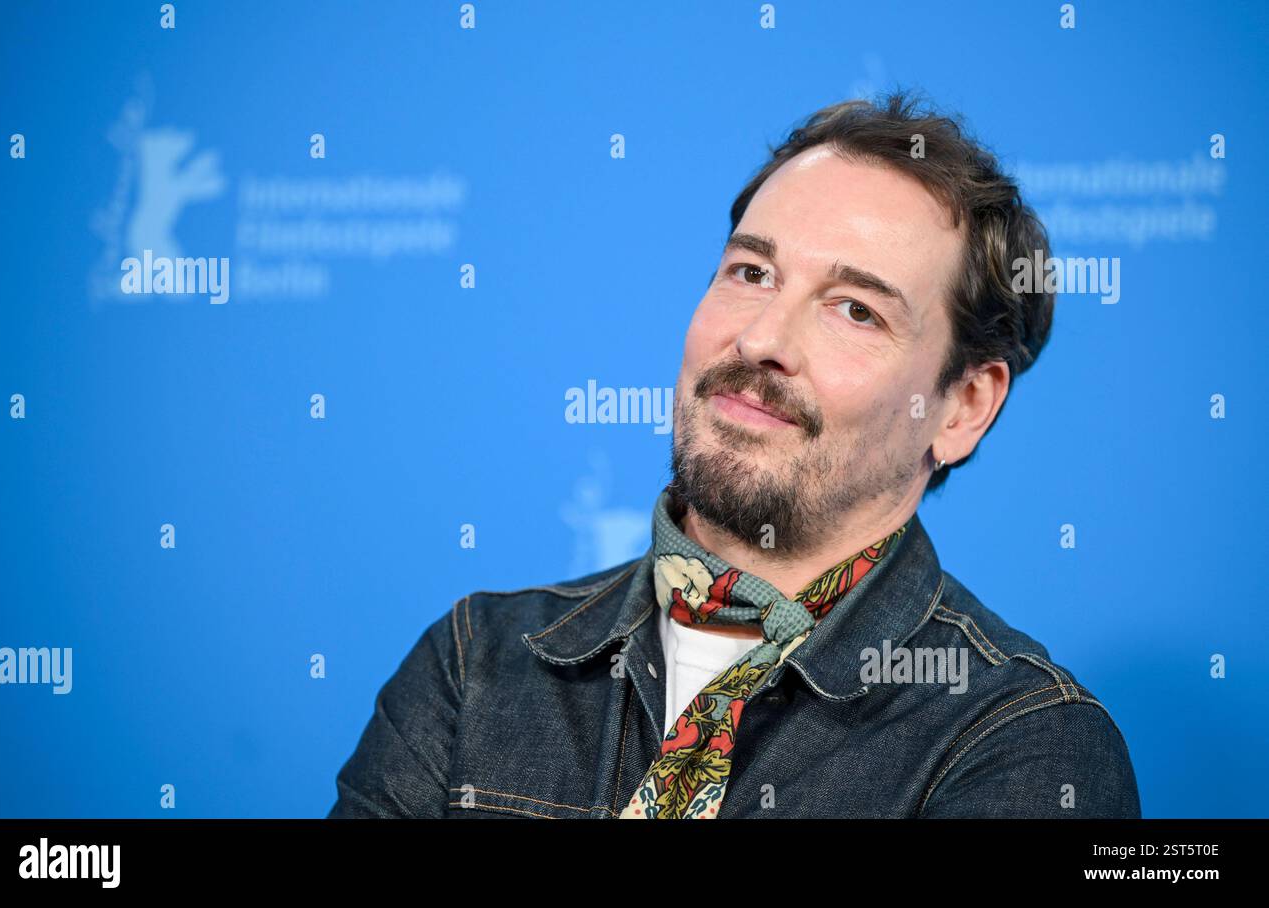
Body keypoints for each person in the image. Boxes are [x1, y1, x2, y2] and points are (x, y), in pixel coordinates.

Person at [328, 90, 1141, 819]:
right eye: (752, 272)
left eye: (855, 310)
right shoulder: (477, 664)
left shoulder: (1023, 742)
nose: (761, 340)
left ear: (963, 407)